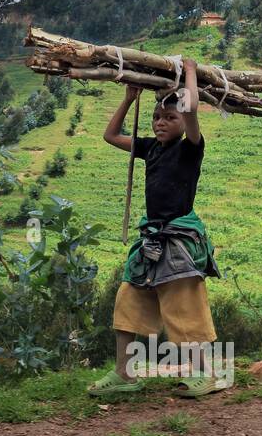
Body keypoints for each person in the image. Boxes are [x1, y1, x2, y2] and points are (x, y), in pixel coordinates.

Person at [88, 56, 227, 399]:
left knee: (184, 309)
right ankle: (125, 373)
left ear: (182, 122)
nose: (160, 123)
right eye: (156, 117)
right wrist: (128, 99)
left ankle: (207, 374)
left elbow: (192, 109)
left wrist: (190, 72)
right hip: (151, 239)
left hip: (179, 240)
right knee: (129, 299)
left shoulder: (190, 149)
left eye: (169, 117)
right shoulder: (150, 148)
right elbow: (110, 135)